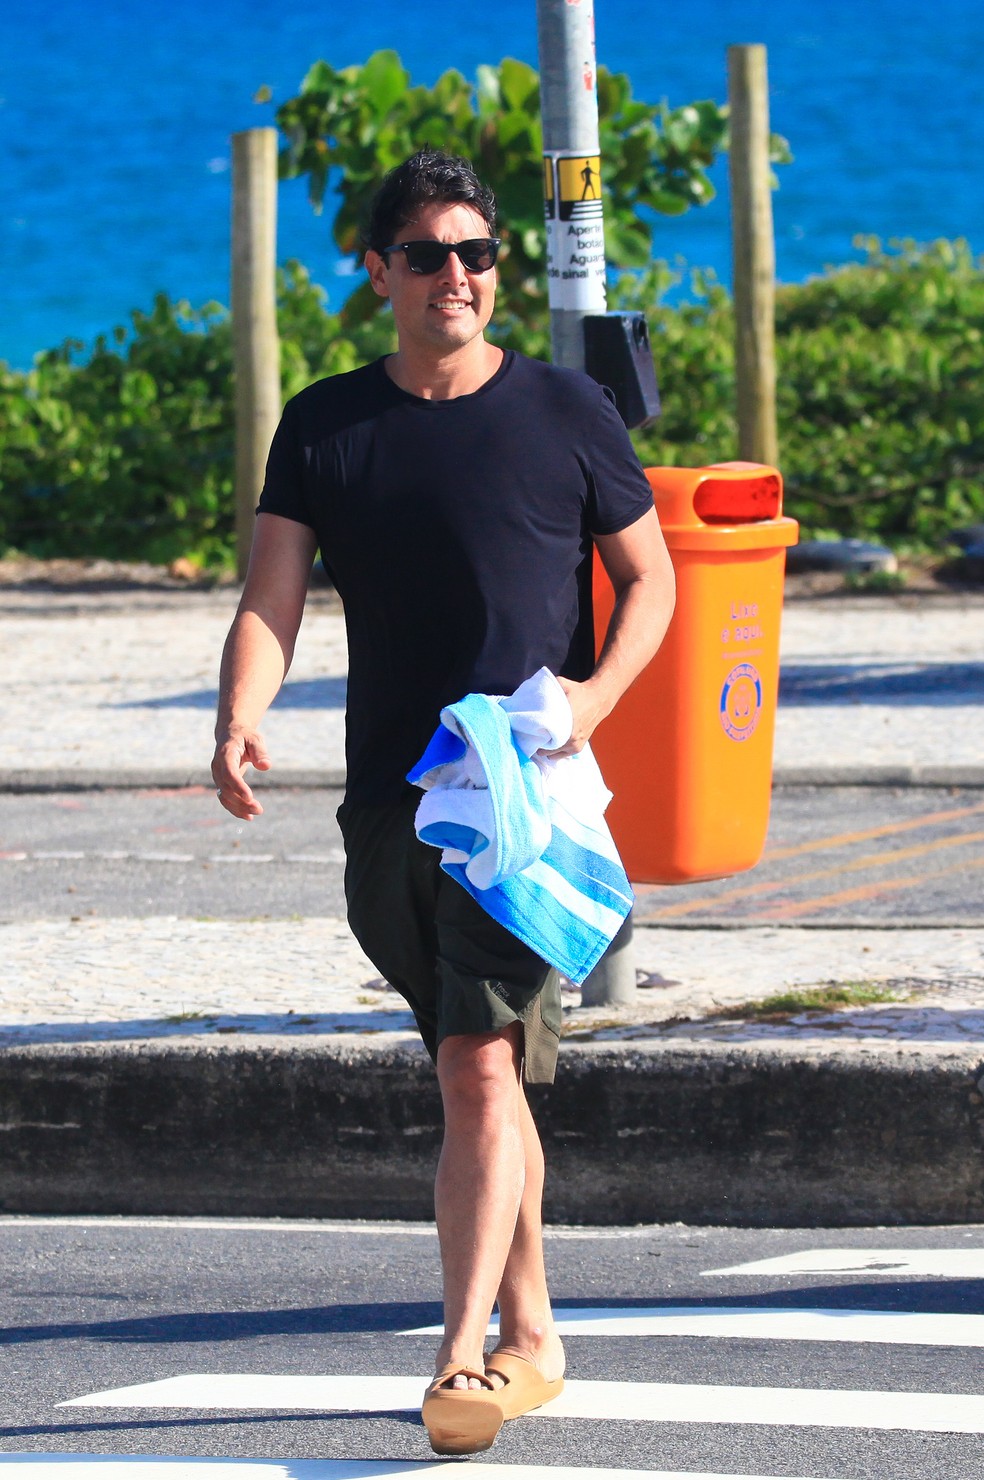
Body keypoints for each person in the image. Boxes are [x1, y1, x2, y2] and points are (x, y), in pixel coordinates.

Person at [211, 149, 675, 1455]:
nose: (459, 275)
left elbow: (653, 583)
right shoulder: (327, 423)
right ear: (378, 272)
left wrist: (588, 702)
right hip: (391, 811)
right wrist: (242, 709)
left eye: (478, 253)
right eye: (428, 255)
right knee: (484, 1080)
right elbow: (272, 595)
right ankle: (536, 1330)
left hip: (525, 801)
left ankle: (463, 1356)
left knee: (479, 1066)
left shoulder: (568, 413)